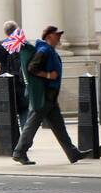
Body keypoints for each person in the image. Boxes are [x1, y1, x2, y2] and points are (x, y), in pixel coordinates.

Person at [12, 26, 91, 166]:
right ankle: (19, 152)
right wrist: (48, 75)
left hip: (51, 97)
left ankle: (73, 153)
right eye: (57, 34)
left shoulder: (49, 50)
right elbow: (32, 68)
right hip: (44, 96)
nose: (59, 36)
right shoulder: (44, 51)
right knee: (32, 125)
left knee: (59, 127)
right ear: (48, 36)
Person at [0, 20, 29, 122]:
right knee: (23, 110)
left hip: (6, 83)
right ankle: (25, 137)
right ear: (16, 30)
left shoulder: (0, 45)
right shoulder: (22, 44)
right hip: (21, 81)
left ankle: (11, 136)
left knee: (8, 111)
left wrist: (1, 80)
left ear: (5, 32)